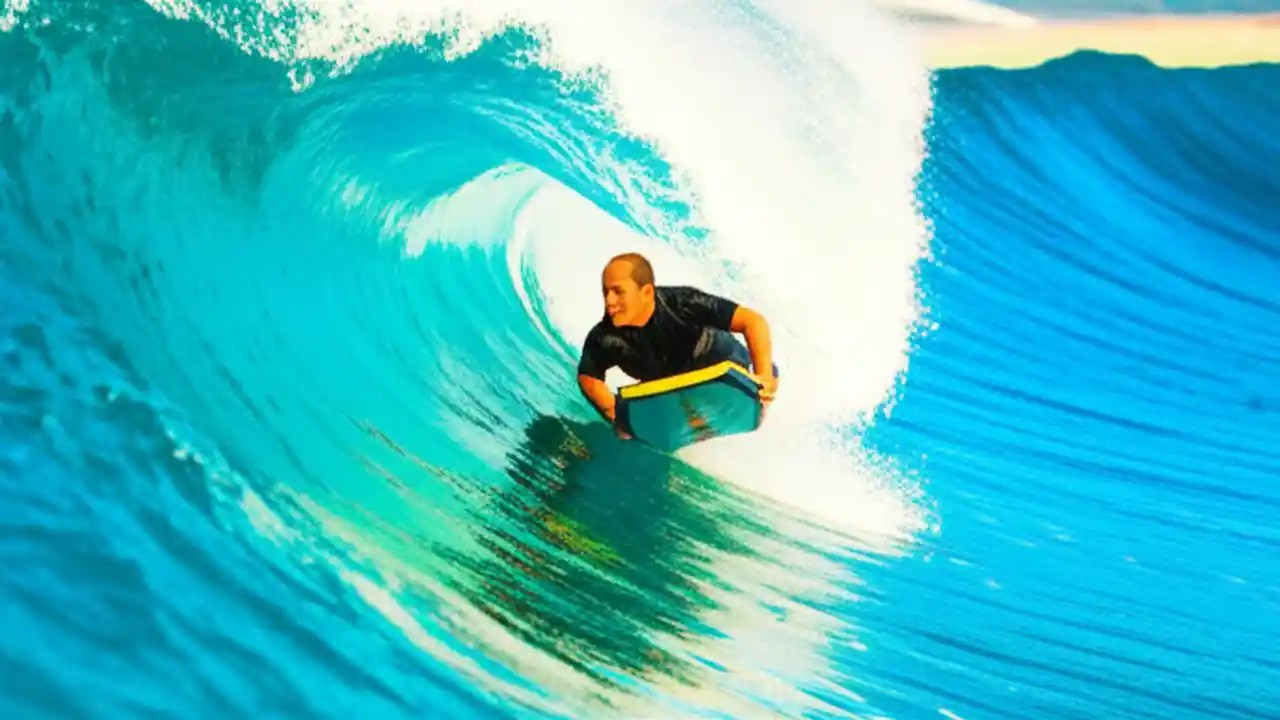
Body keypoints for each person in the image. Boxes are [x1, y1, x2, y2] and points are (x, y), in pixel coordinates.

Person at [576, 252, 778, 436]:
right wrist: (615, 413)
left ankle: (767, 373)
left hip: (720, 361)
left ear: (646, 292)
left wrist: (764, 376)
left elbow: (752, 321)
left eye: (618, 292)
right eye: (606, 292)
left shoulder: (683, 303)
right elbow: (588, 376)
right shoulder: (604, 337)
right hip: (671, 382)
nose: (609, 300)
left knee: (764, 383)